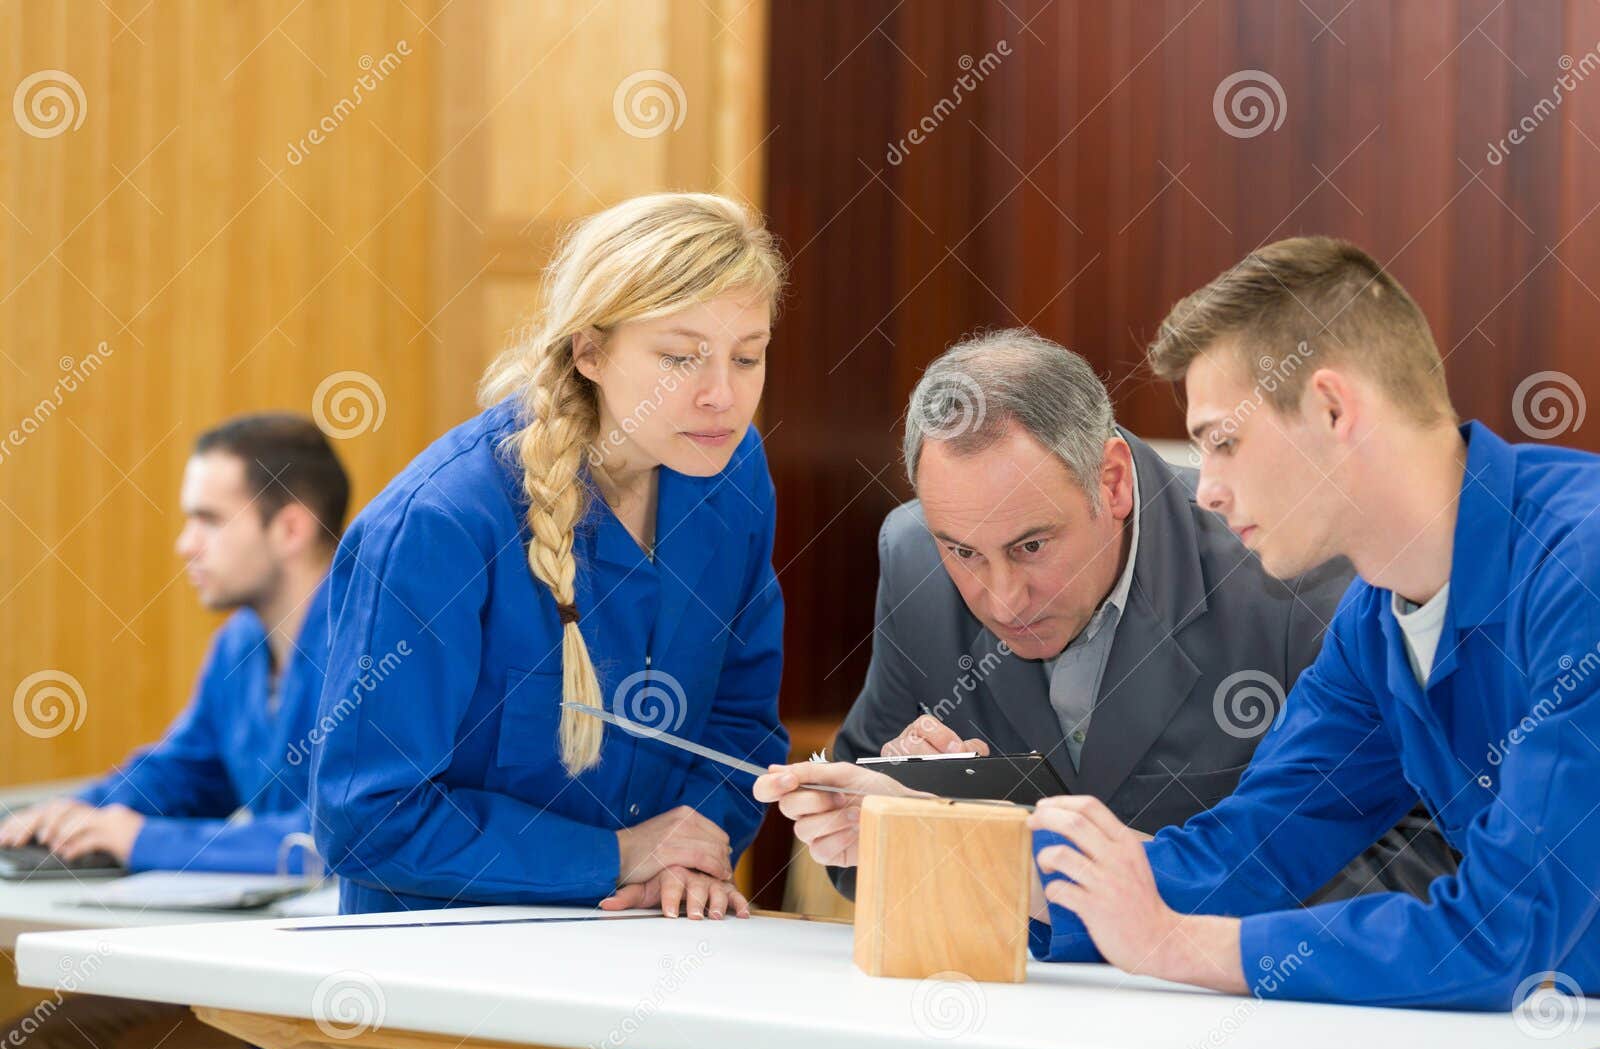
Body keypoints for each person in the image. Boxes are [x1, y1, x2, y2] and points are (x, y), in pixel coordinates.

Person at [779, 329, 1454, 906]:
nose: (1004, 597)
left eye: (1032, 546)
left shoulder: (1288, 566)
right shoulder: (913, 558)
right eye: (964, 552)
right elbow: (852, 847)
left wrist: (1158, 894)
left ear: (1113, 481)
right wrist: (898, 816)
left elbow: (1429, 855)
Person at [311, 192, 788, 922]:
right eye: (680, 357)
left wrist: (689, 850)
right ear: (589, 350)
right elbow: (367, 816)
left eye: (747, 356)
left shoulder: (731, 470)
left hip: (645, 939)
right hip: (436, 963)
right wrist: (622, 854)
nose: (722, 395)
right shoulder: (440, 523)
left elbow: (741, 723)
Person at [0, 413, 349, 1049]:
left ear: (292, 527)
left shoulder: (367, 643)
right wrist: (82, 813)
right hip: (261, 959)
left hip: (334, 987)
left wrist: (142, 837)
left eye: (209, 520)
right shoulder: (241, 644)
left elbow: (336, 839)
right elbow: (184, 770)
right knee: (29, 1045)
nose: (185, 545)